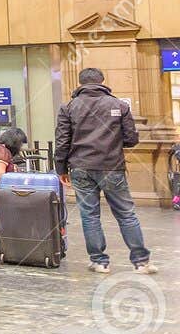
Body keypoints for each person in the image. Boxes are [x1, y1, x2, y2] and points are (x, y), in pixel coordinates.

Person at [55, 67, 153, 274]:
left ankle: (99, 262)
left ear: (80, 83)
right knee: (126, 214)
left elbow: (62, 141)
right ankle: (141, 262)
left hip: (80, 167)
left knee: (90, 215)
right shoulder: (119, 105)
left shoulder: (69, 107)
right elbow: (131, 139)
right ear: (102, 81)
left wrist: (61, 168)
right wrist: (113, 144)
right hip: (112, 167)